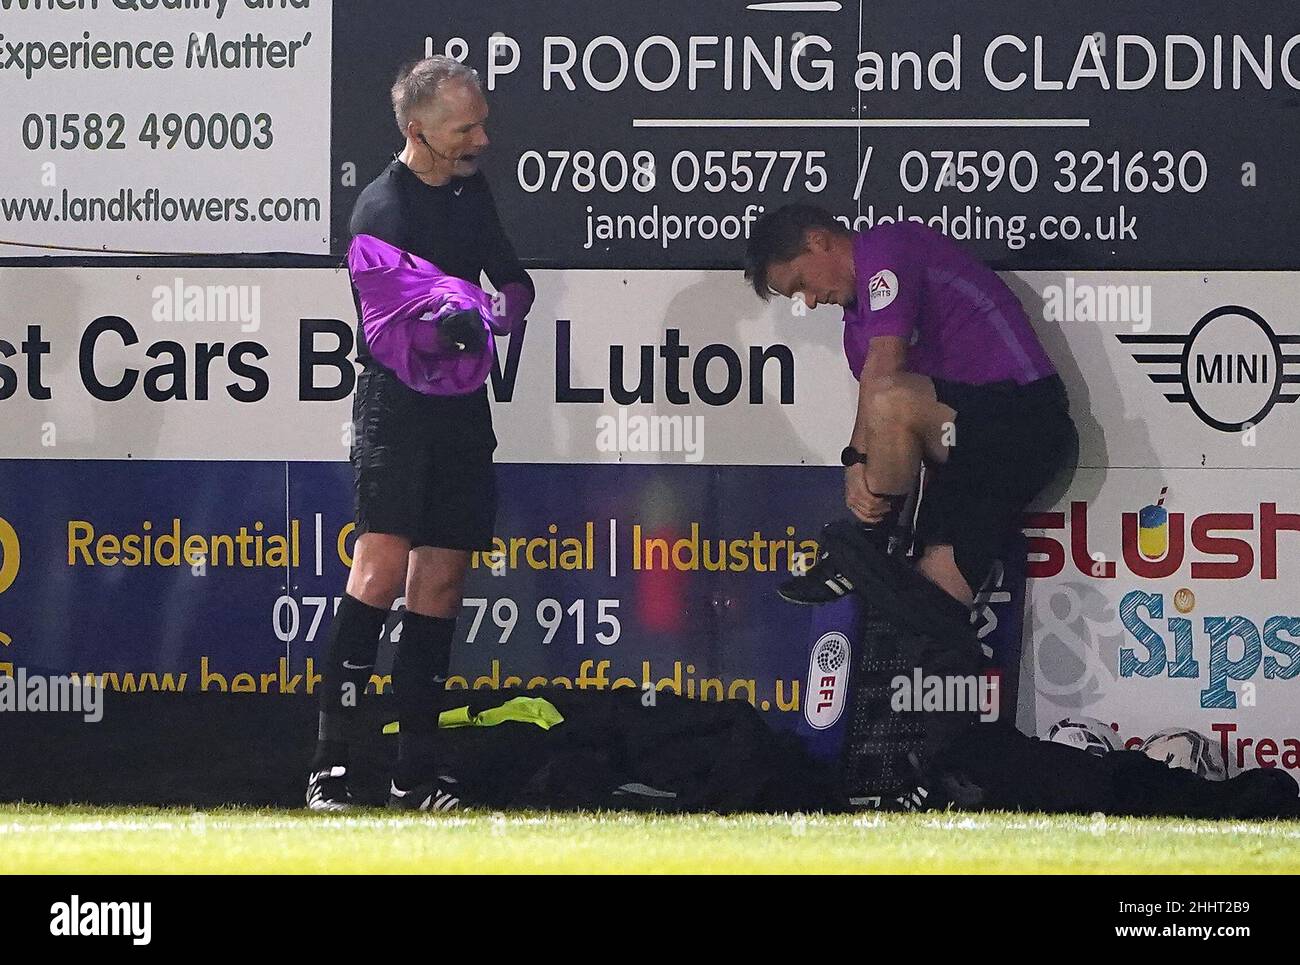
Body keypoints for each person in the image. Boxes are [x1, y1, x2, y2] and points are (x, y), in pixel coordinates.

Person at [306, 56, 534, 812]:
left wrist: (510, 300)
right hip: (397, 405)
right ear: (419, 131)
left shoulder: (472, 190)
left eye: (482, 123)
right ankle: (330, 767)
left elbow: (510, 276)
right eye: (465, 128)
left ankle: (415, 774)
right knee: (379, 569)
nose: (482, 139)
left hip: (462, 409)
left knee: (440, 581)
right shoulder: (381, 212)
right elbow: (424, 329)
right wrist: (474, 313)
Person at [743, 204, 1076, 608]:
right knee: (930, 607)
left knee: (887, 399)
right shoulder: (855, 335)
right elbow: (900, 436)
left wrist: (854, 462)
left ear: (818, 241)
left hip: (1027, 420)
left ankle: (862, 549)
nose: (809, 302)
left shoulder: (885, 246)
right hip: (973, 458)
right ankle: (920, 634)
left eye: (801, 283)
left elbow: (886, 377)